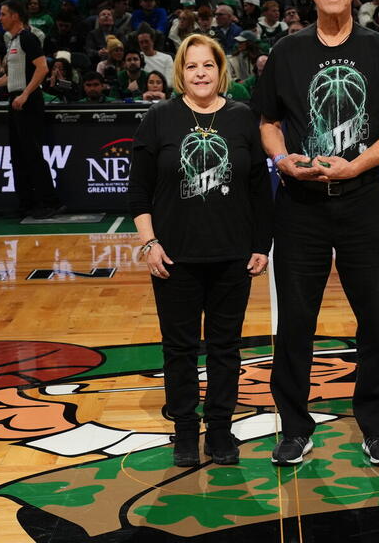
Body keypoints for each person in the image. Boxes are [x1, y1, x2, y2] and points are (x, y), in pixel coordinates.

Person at [252, 0, 379, 468]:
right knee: (296, 322)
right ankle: (294, 428)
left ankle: (378, 428)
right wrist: (281, 161)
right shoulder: (286, 51)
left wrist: (356, 165)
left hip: (362, 201)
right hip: (300, 207)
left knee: (375, 320)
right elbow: (267, 122)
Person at [128, 33, 273, 467]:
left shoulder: (243, 117)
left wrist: (261, 245)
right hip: (175, 258)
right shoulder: (159, 118)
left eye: (207, 65)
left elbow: (259, 191)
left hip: (232, 257)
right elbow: (138, 193)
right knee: (179, 349)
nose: (200, 74)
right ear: (180, 73)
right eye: (191, 67)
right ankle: (186, 433)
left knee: (226, 348)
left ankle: (222, 431)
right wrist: (149, 244)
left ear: (220, 69)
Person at [0, 0, 62, 220]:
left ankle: (50, 202)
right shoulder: (12, 41)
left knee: (33, 153)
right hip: (16, 99)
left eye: (3, 13)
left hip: (29, 101)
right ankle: (26, 203)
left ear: (15, 16)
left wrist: (25, 94)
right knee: (18, 155)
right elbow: (13, 76)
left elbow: (42, 68)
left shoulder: (28, 38)